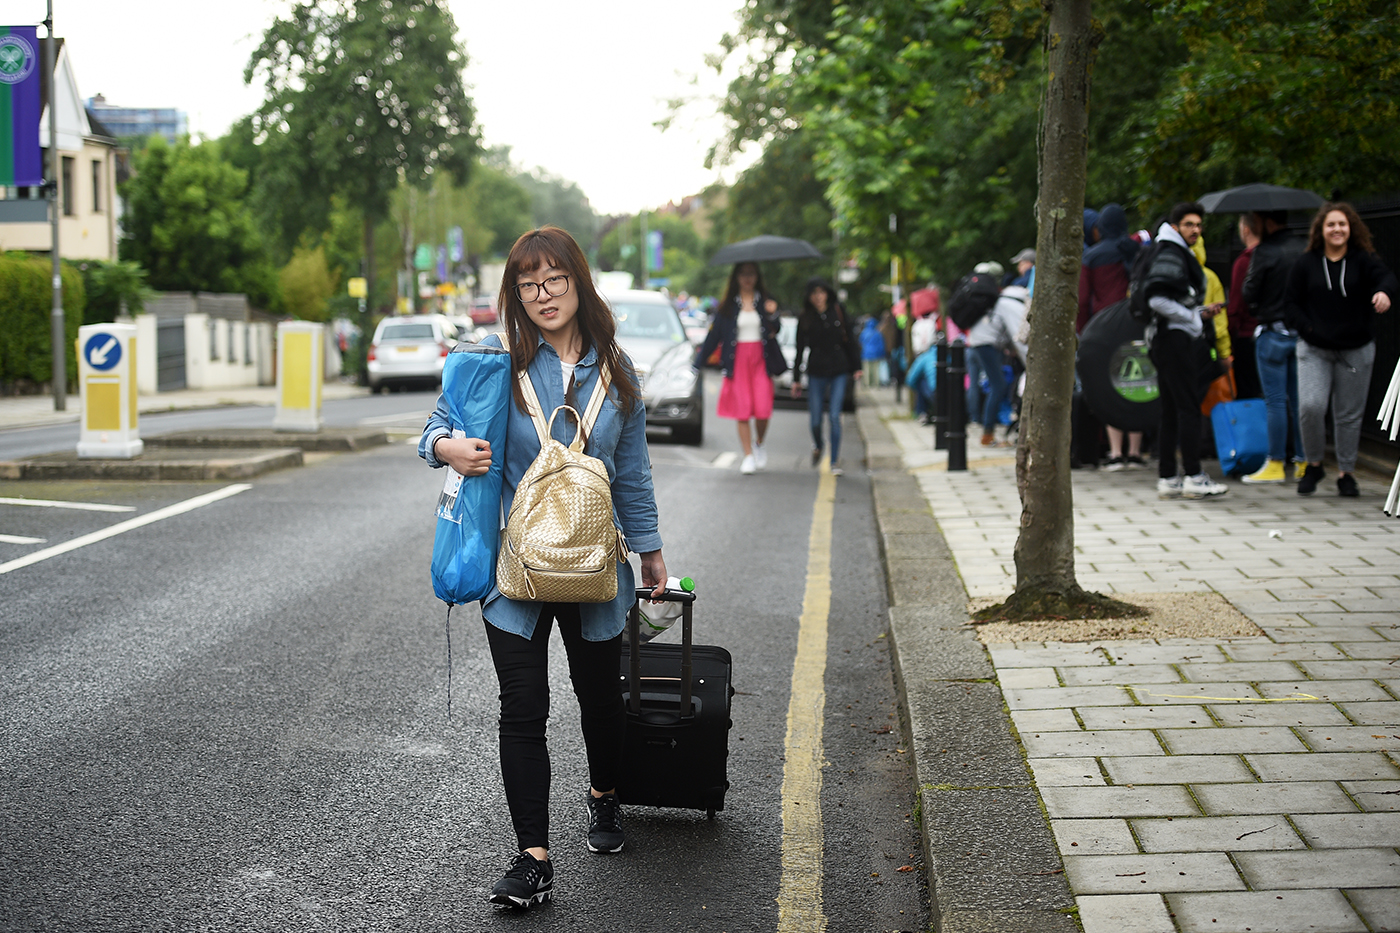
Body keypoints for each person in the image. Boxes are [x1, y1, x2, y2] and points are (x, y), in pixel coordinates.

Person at [419, 226, 668, 909]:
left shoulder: (617, 373)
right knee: (522, 705)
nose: (542, 293)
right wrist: (451, 450)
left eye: (554, 278)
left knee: (598, 699)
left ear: (578, 283)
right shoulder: (496, 364)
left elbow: (634, 474)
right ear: (515, 294)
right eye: (528, 284)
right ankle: (532, 857)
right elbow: (433, 426)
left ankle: (604, 793)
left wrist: (649, 548)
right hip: (518, 568)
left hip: (595, 566)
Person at [1286, 202, 1398, 497]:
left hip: (1355, 348)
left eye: (1342, 224)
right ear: (1321, 230)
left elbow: (1387, 278)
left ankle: (1346, 473)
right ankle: (1313, 464)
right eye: (1331, 224)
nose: (1337, 229)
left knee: (1348, 414)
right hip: (1314, 348)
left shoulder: (1364, 259)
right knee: (1311, 407)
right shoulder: (1306, 262)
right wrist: (1308, 328)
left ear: (1351, 229)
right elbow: (1290, 303)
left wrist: (1383, 292)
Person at [1138, 202, 1230, 500]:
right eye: (1190, 224)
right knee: (1188, 407)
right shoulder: (1171, 252)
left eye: (1199, 225)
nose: (1196, 230)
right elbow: (1156, 299)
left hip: (1164, 340)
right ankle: (1193, 475)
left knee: (1170, 409)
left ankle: (1168, 477)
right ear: (1176, 226)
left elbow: (1166, 300)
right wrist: (1192, 318)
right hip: (1175, 341)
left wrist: (1199, 312)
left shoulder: (1166, 250)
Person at [694, 262, 782, 475]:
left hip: (760, 360)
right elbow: (714, 337)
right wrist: (698, 362)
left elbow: (776, 329)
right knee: (742, 410)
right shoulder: (727, 307)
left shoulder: (766, 302)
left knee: (763, 409)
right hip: (738, 361)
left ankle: (759, 442)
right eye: (743, 274)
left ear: (757, 277)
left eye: (751, 274)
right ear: (736, 278)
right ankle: (748, 455)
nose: (747, 278)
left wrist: (773, 314)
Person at [1240, 210, 1307, 485]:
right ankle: (1305, 461)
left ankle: (1276, 462)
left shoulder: (1264, 251)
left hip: (1272, 333)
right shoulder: (1306, 248)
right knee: (1301, 401)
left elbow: (1249, 293)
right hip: (1302, 333)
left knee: (1276, 401)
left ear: (1267, 223)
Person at [1078, 203, 1146, 470]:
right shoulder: (1136, 250)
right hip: (1136, 323)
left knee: (1112, 386)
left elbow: (1083, 300)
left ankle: (1116, 452)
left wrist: (1084, 330)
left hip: (1104, 328)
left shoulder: (1093, 257)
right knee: (1139, 383)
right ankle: (1136, 452)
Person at [793, 277, 861, 475]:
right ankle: (818, 445)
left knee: (834, 415)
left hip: (839, 369)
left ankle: (834, 461)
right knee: (815, 419)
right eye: (814, 293)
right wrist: (796, 378)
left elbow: (850, 339)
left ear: (827, 293)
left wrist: (857, 366)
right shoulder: (805, 317)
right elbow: (799, 350)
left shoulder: (838, 311)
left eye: (821, 292)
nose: (818, 297)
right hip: (816, 371)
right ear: (809, 296)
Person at [965, 274, 1029, 447]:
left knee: (992, 385)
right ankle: (987, 434)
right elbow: (1019, 336)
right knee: (998, 386)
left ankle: (987, 431)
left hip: (979, 343)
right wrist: (1030, 363)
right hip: (986, 345)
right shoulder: (1011, 304)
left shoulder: (1003, 300)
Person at [1227, 215, 1262, 400]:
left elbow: (1236, 302)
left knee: (1247, 391)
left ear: (1246, 230)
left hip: (1247, 334)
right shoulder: (1273, 257)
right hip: (1271, 330)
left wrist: (1231, 330)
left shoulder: (1244, 262)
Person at [860, 315, 887, 385]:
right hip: (876, 354)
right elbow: (881, 344)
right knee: (876, 370)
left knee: (867, 370)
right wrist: (882, 353)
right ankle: (876, 384)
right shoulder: (877, 333)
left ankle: (867, 384)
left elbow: (860, 342)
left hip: (866, 353)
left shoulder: (864, 332)